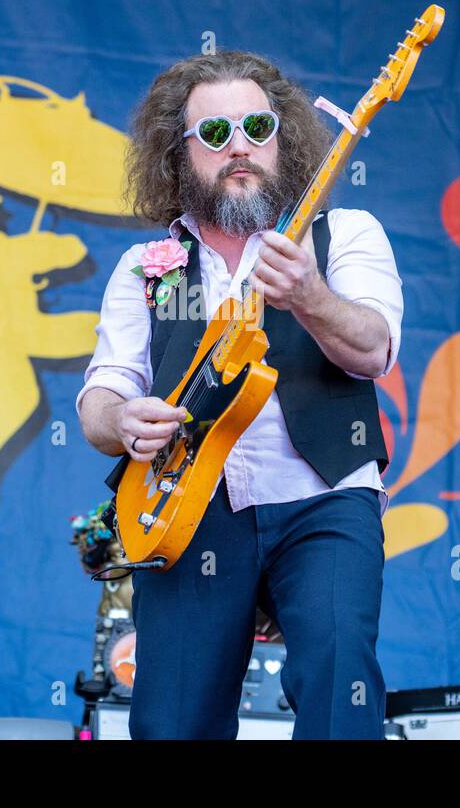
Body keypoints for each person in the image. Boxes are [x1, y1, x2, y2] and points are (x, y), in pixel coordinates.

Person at [77, 51, 402, 739]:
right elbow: (102, 395)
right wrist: (122, 420)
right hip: (191, 510)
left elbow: (373, 349)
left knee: (340, 687)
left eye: (256, 125)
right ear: (180, 153)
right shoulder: (149, 266)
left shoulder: (343, 234)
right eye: (215, 135)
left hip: (324, 497)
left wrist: (311, 296)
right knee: (172, 722)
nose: (240, 147)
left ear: (284, 134)